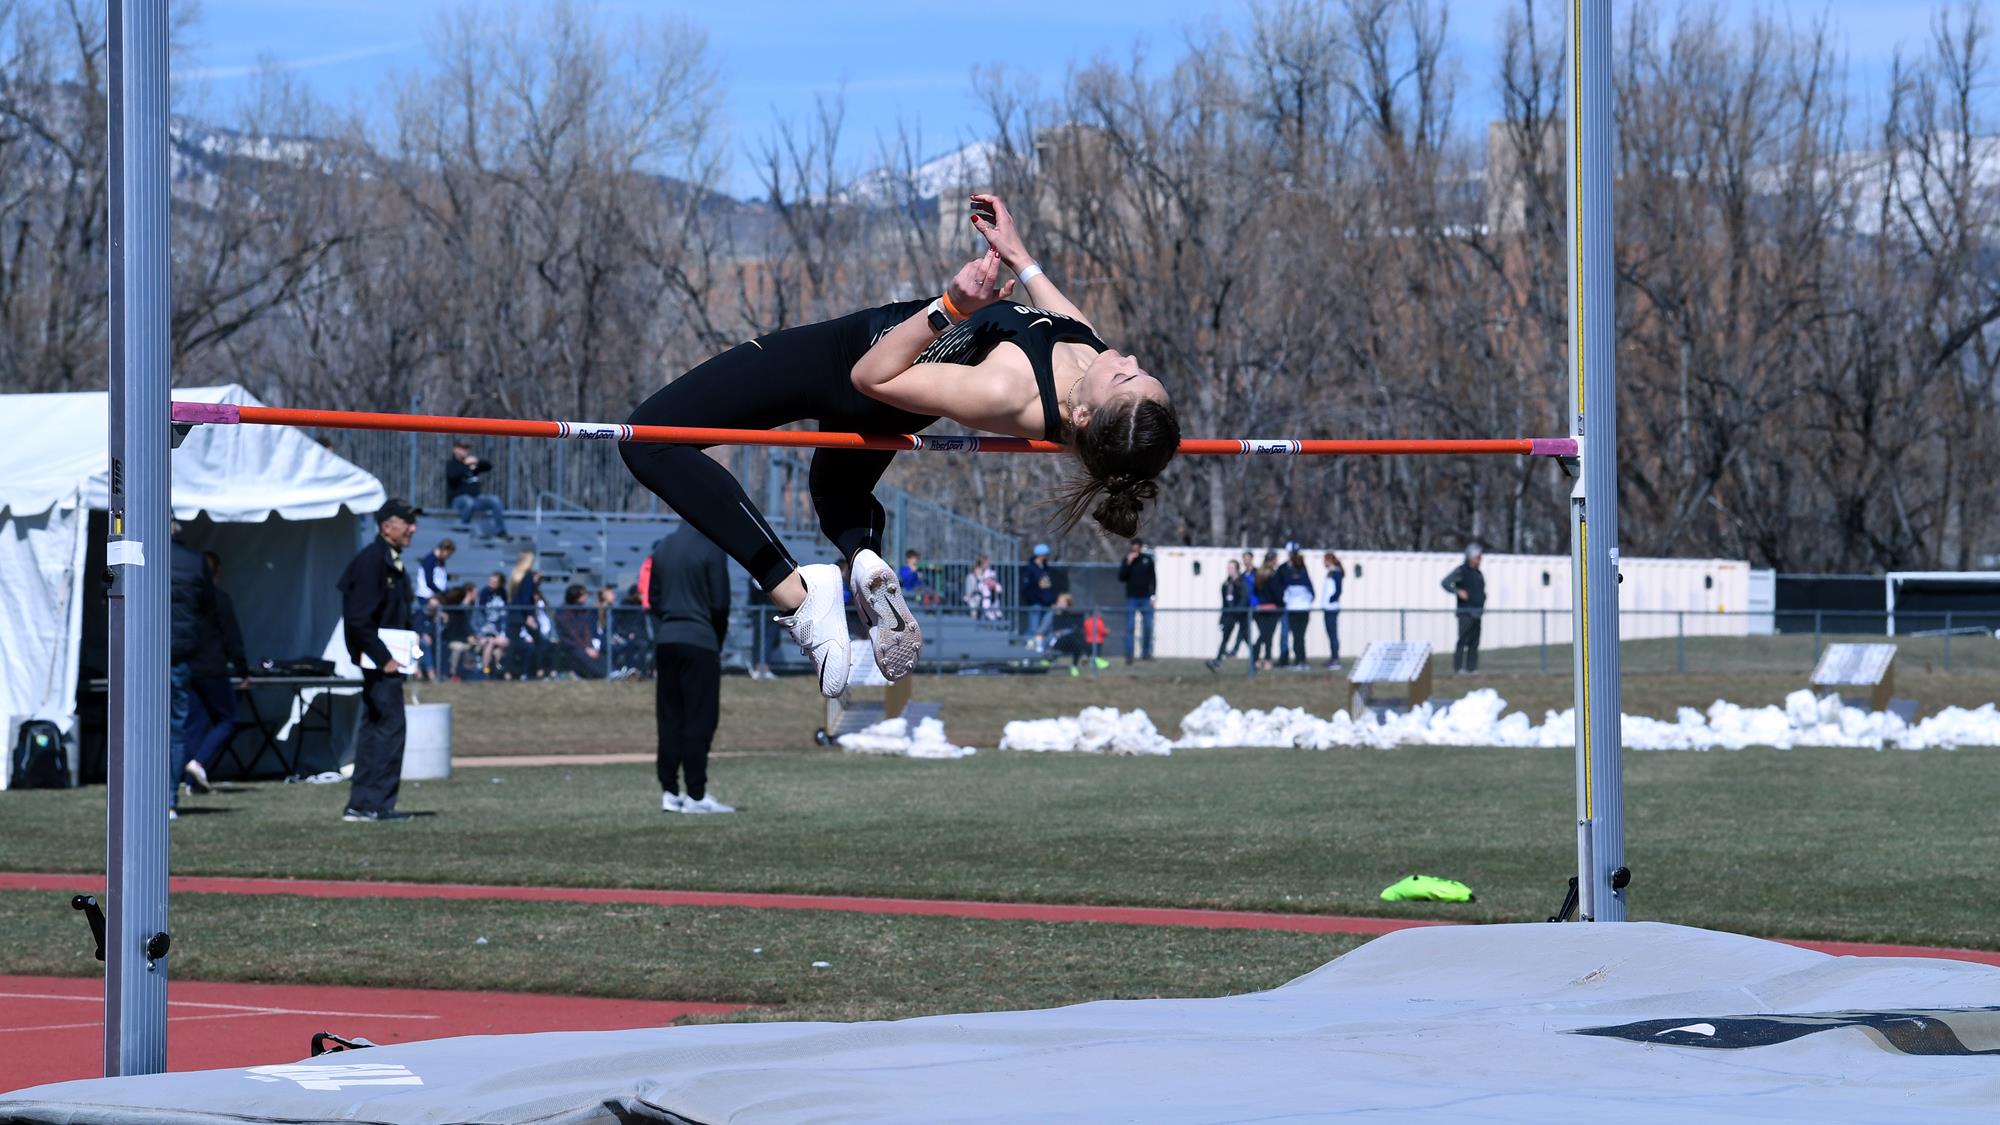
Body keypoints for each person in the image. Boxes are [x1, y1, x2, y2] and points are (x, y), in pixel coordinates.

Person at [617, 192, 1181, 699]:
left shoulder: (1011, 390)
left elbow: (872, 376)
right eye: (1141, 368)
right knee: (835, 486)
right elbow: (1066, 321)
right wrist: (1018, 254)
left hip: (855, 360)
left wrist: (949, 308)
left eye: (1127, 378)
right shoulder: (1093, 367)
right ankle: (862, 560)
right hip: (894, 394)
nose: (1128, 361)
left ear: (1083, 416)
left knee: (653, 438)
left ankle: (796, 593)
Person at [335, 499, 421, 822]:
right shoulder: (372, 561)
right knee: (388, 729)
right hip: (380, 665)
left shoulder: (387, 560)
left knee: (375, 730)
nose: (412, 528)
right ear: (387, 527)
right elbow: (358, 619)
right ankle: (375, 804)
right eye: (406, 522)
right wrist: (384, 659)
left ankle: (363, 803)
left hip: (388, 662)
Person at [648, 523, 734, 814]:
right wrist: (716, 640)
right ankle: (696, 794)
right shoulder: (711, 547)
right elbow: (720, 603)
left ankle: (670, 791)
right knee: (700, 718)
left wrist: (664, 630)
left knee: (670, 718)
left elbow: (655, 600)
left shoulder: (662, 547)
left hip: (666, 640)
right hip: (700, 640)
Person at [182, 551, 249, 793]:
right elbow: (232, 637)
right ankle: (198, 763)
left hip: (190, 666)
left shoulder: (189, 600)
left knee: (195, 724)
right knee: (228, 719)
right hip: (212, 667)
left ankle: (192, 780)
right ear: (217, 572)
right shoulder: (219, 599)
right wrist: (243, 669)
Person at [167, 524, 215, 818]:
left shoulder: (127, 552)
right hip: (179, 655)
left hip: (140, 657)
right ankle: (169, 800)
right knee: (174, 730)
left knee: (133, 728)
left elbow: (107, 590)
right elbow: (208, 606)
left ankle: (134, 799)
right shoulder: (193, 560)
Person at [445, 442, 507, 537]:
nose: (466, 451)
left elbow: (489, 466)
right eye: (463, 448)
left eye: (467, 448)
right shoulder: (452, 464)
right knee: (468, 502)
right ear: (455, 449)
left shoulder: (473, 464)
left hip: (476, 498)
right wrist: (466, 466)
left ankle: (500, 531)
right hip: (458, 500)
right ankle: (463, 529)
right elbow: (452, 475)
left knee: (495, 500)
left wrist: (476, 461)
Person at [1442, 543, 1487, 674]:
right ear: (1470, 557)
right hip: (1465, 612)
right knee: (1462, 640)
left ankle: (1472, 668)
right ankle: (1458, 668)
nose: (1480, 560)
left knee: (1474, 642)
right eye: (1478, 557)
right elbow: (1445, 583)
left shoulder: (1478, 573)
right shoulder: (1461, 571)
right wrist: (1457, 591)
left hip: (1477, 613)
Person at [1206, 558, 1250, 672]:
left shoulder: (1242, 583)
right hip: (1230, 614)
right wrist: (1222, 617)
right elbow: (1224, 603)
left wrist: (1238, 609)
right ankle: (1217, 661)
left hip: (1241, 615)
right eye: (1228, 567)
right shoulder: (1226, 584)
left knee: (1246, 638)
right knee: (1225, 638)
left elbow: (1245, 598)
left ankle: (1254, 661)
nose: (1229, 570)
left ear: (1237, 569)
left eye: (1231, 568)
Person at [1118, 537, 1157, 664]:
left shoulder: (1147, 559)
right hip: (1131, 598)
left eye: (1137, 545)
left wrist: (1153, 595)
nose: (1135, 547)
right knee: (1129, 627)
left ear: (1140, 546)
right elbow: (1122, 577)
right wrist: (1128, 563)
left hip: (1145, 598)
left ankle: (1146, 653)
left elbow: (1153, 579)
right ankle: (1129, 655)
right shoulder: (1128, 559)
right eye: (1133, 545)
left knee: (1148, 625)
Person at [1277, 544, 1315, 670]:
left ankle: (1300, 661)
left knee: (1297, 636)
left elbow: (1309, 591)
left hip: (1296, 609)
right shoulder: (1284, 569)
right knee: (1298, 636)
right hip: (1299, 609)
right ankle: (1299, 660)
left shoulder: (1302, 570)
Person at [556, 584, 604, 679]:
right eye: (583, 595)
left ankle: (615, 672)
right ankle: (603, 675)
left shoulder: (584, 610)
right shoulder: (563, 612)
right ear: (575, 596)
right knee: (584, 656)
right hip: (570, 644)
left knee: (598, 655)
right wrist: (585, 648)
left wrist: (590, 646)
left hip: (584, 644)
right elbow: (571, 634)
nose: (586, 597)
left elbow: (587, 631)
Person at [474, 571, 511, 676]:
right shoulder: (484, 592)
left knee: (498, 650)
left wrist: (502, 633)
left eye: (495, 582)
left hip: (499, 629)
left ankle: (496, 672)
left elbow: (505, 614)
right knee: (490, 643)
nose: (492, 583)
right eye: (491, 581)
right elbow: (480, 615)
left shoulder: (503, 593)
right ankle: (486, 670)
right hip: (487, 629)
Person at [1022, 544, 1058, 651]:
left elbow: (1048, 586)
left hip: (1047, 603)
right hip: (1036, 603)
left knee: (1045, 628)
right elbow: (1026, 587)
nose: (1047, 556)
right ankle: (1028, 650)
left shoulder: (1046, 568)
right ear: (1040, 555)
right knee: (1034, 628)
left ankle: (1041, 649)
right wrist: (1035, 599)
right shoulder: (1030, 569)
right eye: (1046, 554)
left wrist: (1051, 599)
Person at [1252, 550, 1283, 671]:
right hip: (1272, 609)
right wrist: (1281, 604)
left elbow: (1255, 591)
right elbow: (1277, 593)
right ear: (1273, 560)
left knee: (1265, 635)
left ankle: (1262, 661)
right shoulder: (1273, 575)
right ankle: (1263, 659)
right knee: (1266, 636)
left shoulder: (1259, 573)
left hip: (1260, 609)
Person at [1321, 551, 1346, 671]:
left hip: (1332, 608)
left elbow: (1338, 590)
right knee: (1330, 634)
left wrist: (1331, 600)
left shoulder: (1336, 572)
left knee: (1333, 634)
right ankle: (1333, 657)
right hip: (1327, 607)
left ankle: (1335, 659)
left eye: (1325, 560)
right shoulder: (1330, 573)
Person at [964, 554, 1002, 621]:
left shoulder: (988, 574)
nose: (988, 565)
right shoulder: (971, 576)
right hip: (977, 602)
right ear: (982, 563)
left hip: (988, 601)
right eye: (986, 563)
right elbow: (969, 592)